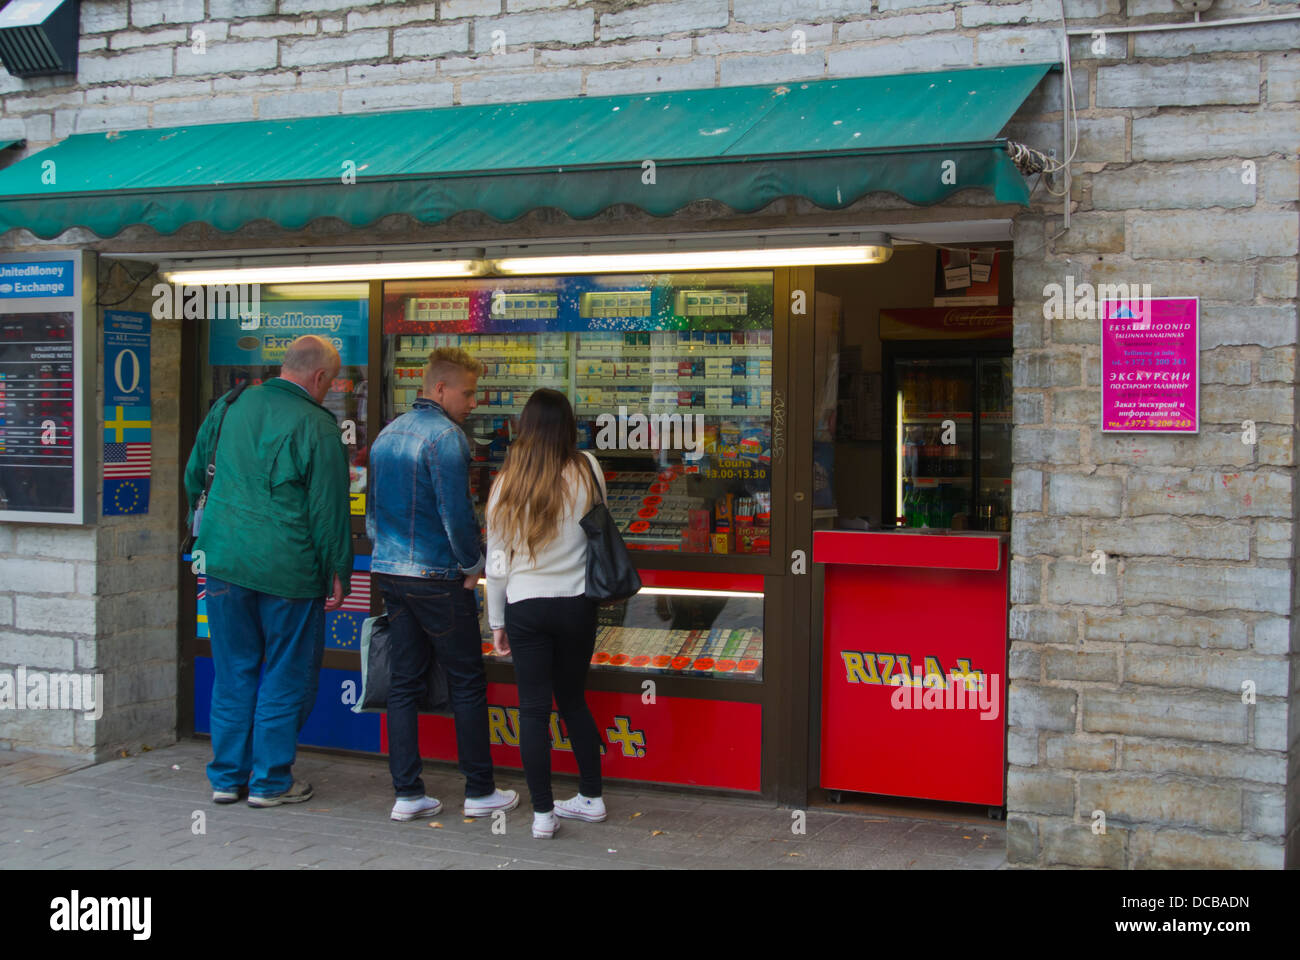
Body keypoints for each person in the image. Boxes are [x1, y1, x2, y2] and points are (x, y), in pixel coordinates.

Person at [184, 335, 352, 807]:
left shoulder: (229, 405)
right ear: (320, 377)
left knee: (233, 672)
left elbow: (195, 476)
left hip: (222, 562)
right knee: (285, 674)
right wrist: (338, 568)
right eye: (331, 382)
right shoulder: (317, 424)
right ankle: (270, 781)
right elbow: (328, 509)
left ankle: (226, 778)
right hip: (288, 571)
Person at [367, 347, 518, 823]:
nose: (473, 403)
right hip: (437, 578)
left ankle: (407, 794)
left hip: (391, 572)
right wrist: (474, 565)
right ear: (439, 388)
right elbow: (456, 516)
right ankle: (479, 789)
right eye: (467, 393)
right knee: (467, 681)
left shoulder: (387, 434)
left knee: (404, 683)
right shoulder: (447, 439)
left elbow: (372, 514)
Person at [486, 388, 606, 839]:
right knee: (573, 700)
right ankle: (591, 797)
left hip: (526, 606)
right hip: (577, 603)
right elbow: (598, 527)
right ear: (569, 426)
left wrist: (496, 621)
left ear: (525, 426)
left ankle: (542, 815)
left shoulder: (506, 482)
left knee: (533, 711)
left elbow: (497, 562)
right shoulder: (588, 468)